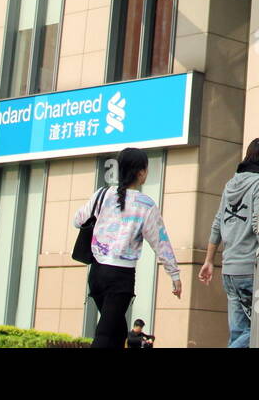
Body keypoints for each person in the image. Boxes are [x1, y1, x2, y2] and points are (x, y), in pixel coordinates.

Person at [73, 147, 181, 348]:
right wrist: (174, 274)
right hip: (120, 277)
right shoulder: (145, 204)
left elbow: (78, 220)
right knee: (105, 335)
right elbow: (161, 242)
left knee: (117, 332)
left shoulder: (102, 194)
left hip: (96, 274)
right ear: (141, 172)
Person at [198, 136, 259, 348]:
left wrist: (209, 260)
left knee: (239, 332)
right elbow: (257, 224)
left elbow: (217, 222)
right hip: (251, 273)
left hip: (229, 272)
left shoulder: (230, 184)